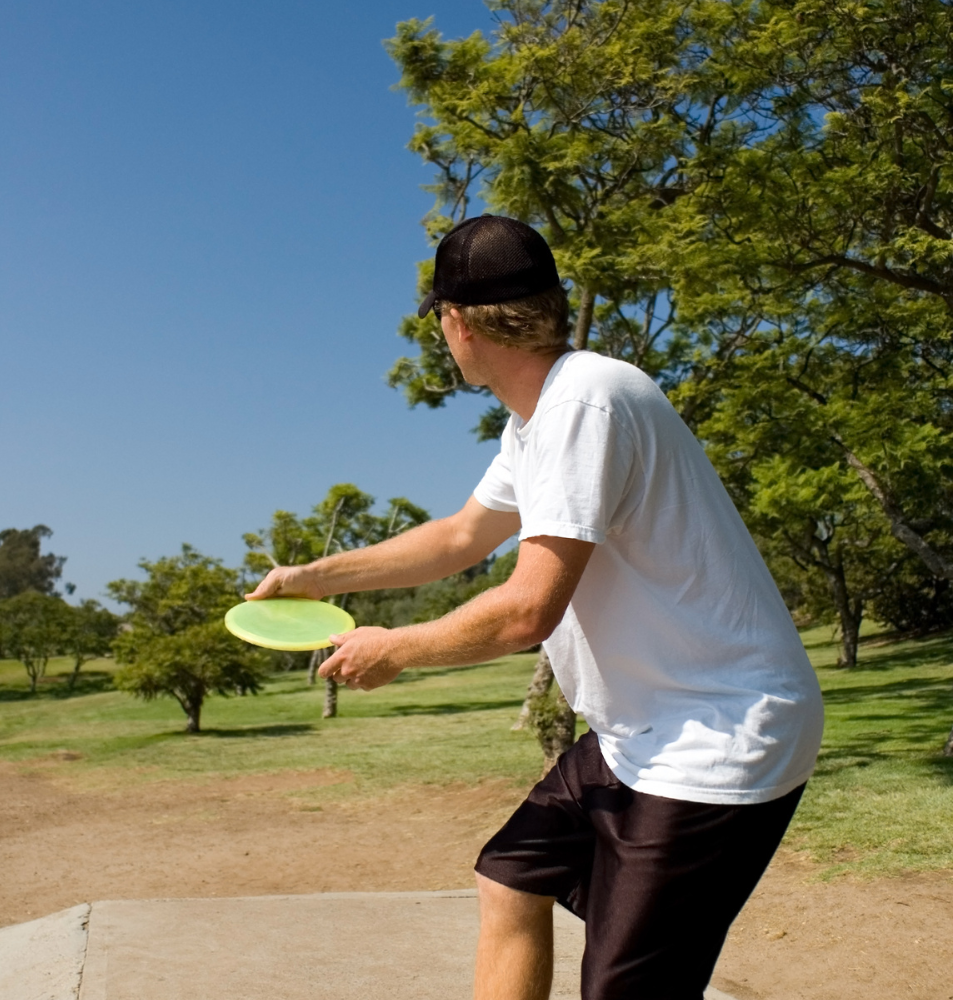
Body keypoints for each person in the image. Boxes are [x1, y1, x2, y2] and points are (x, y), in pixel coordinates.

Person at [247, 215, 824, 1000]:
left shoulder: (586, 403)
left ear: (456, 324)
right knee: (511, 878)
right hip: (639, 731)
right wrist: (315, 577)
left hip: (716, 738)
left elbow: (527, 612)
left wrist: (396, 649)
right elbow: (460, 537)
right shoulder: (539, 420)